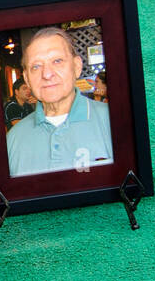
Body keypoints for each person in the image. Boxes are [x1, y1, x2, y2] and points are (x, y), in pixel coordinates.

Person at [6, 26, 113, 177]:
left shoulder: (114, 121)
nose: (47, 74)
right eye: (36, 66)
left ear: (76, 66)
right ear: (27, 78)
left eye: (57, 61)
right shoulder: (13, 139)